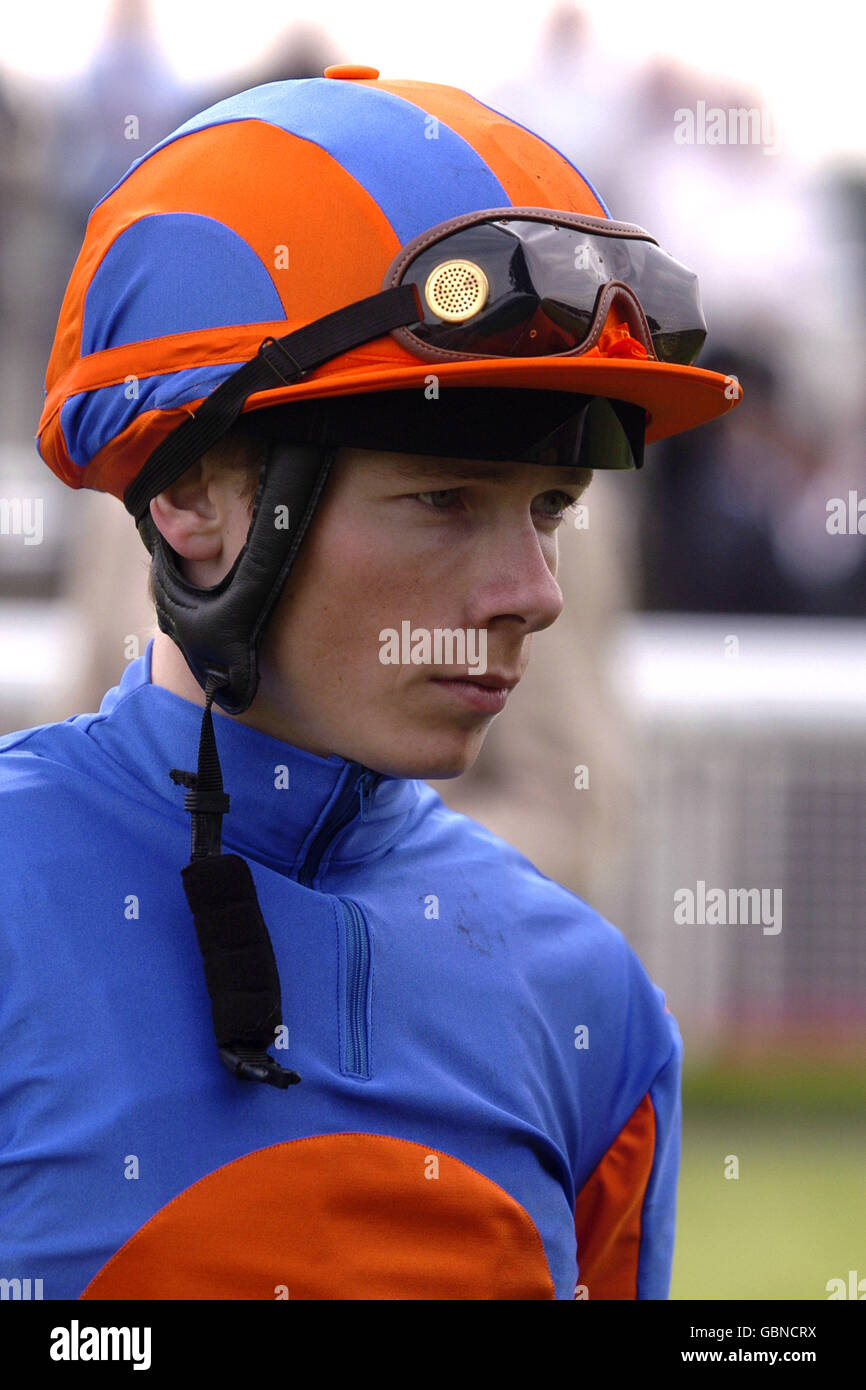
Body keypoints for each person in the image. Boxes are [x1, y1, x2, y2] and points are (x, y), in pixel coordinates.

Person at [0, 67, 740, 1301]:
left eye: (549, 509)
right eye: (443, 501)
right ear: (189, 496)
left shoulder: (592, 1000)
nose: (534, 592)